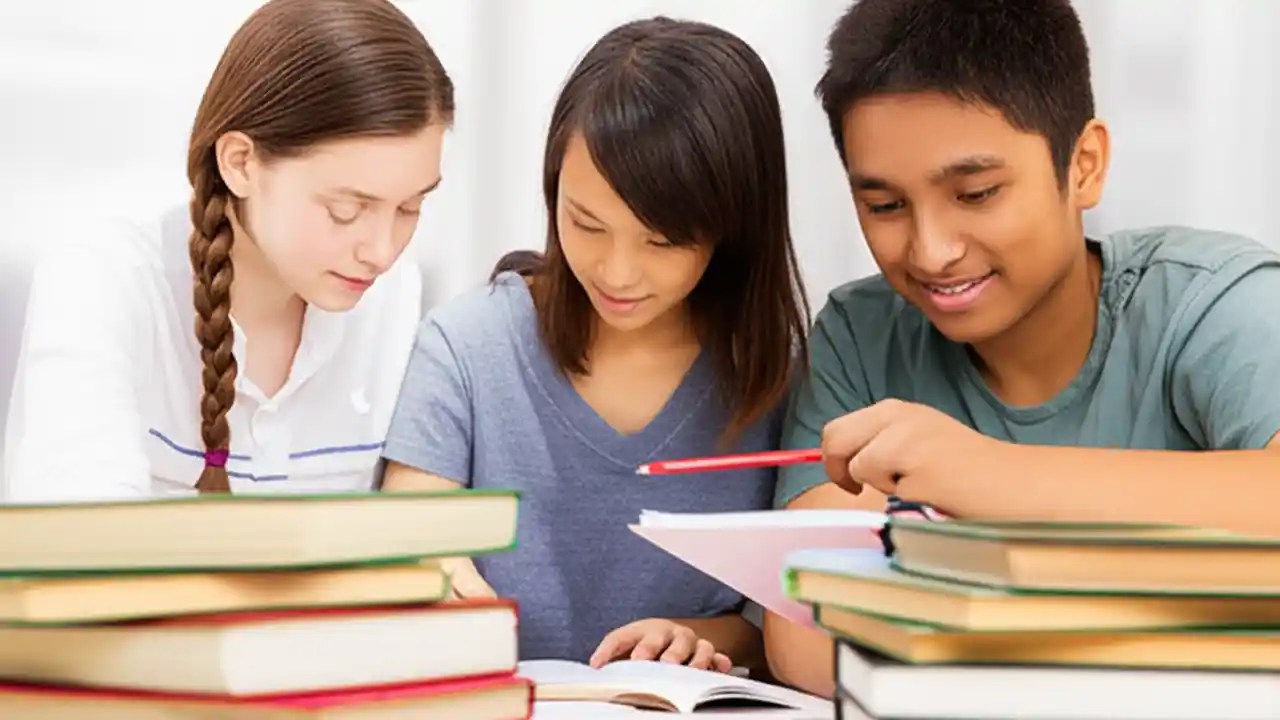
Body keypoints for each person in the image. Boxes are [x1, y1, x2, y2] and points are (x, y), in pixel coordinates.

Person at [765, 0, 1280, 697]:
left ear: (1084, 164)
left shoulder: (1213, 303)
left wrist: (984, 479)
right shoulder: (862, 338)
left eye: (976, 193)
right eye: (885, 206)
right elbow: (806, 631)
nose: (932, 251)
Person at [381, 17, 809, 673]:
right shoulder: (466, 349)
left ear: (733, 226)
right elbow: (410, 546)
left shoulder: (772, 377)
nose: (616, 271)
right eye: (584, 222)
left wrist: (704, 637)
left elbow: (780, 622)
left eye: (661, 243)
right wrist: (435, 584)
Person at [3, 0, 454, 500]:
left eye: (410, 208)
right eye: (345, 210)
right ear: (240, 163)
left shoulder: (393, 297)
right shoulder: (102, 282)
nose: (382, 251)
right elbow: (78, 547)